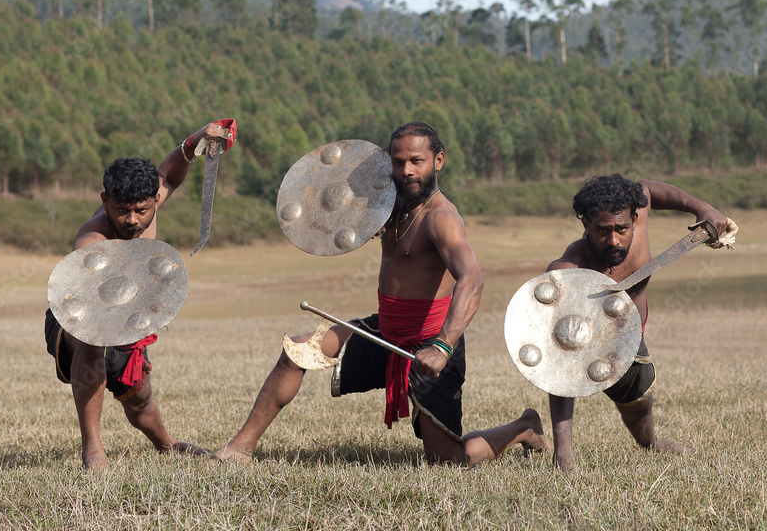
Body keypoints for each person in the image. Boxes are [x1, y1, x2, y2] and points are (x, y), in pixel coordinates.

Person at [215, 122, 546, 464]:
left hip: (429, 343)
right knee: (298, 351)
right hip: (384, 332)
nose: (406, 171)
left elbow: (472, 280)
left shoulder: (442, 218)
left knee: (447, 460)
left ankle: (524, 427)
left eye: (416, 161)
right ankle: (240, 448)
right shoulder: (390, 206)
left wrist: (442, 347)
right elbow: (334, 197)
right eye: (398, 162)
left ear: (438, 161)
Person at [45, 120, 235, 470]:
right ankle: (92, 449)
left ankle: (168, 445)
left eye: (142, 210)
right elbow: (85, 298)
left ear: (155, 201)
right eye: (122, 210)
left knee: (139, 398)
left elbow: (170, 174)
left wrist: (197, 139)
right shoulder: (92, 239)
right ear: (106, 202)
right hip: (81, 316)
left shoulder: (152, 199)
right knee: (92, 345)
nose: (132, 220)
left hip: (129, 322)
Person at [546, 174, 730, 472]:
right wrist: (563, 453)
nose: (613, 240)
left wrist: (702, 208)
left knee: (639, 402)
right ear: (586, 225)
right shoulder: (569, 268)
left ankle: (651, 443)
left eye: (621, 229)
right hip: (585, 341)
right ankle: (561, 452)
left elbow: (648, 188)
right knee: (566, 358)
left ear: (635, 218)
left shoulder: (639, 215)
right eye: (602, 230)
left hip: (630, 338)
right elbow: (557, 367)